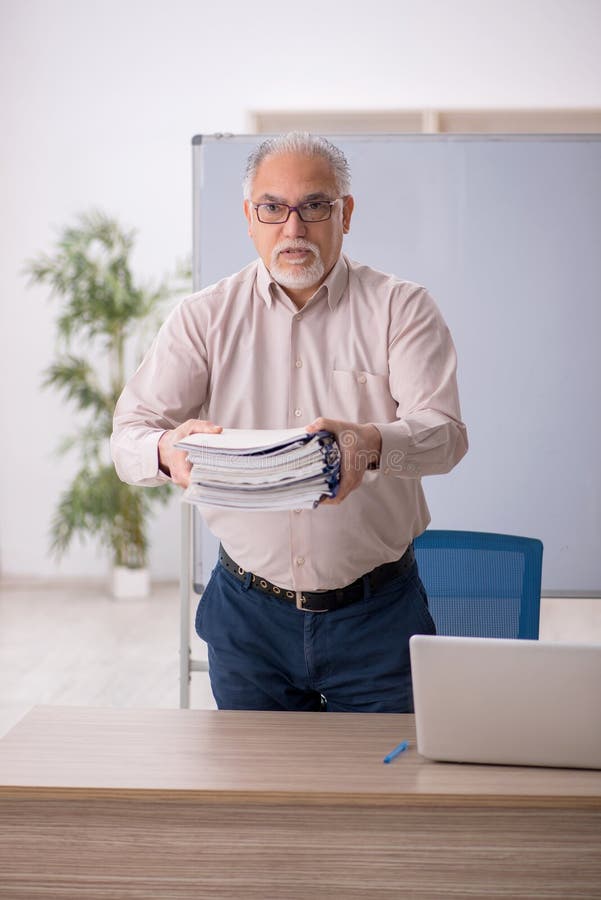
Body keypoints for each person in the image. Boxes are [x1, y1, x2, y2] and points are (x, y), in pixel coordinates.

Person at [111, 132, 468, 713]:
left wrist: (372, 442)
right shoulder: (203, 318)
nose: (293, 228)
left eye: (315, 206)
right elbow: (128, 434)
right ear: (250, 218)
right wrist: (164, 448)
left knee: (387, 796)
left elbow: (446, 435)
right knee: (259, 800)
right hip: (248, 618)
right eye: (273, 208)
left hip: (378, 615)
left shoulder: (401, 307)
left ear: (345, 213)